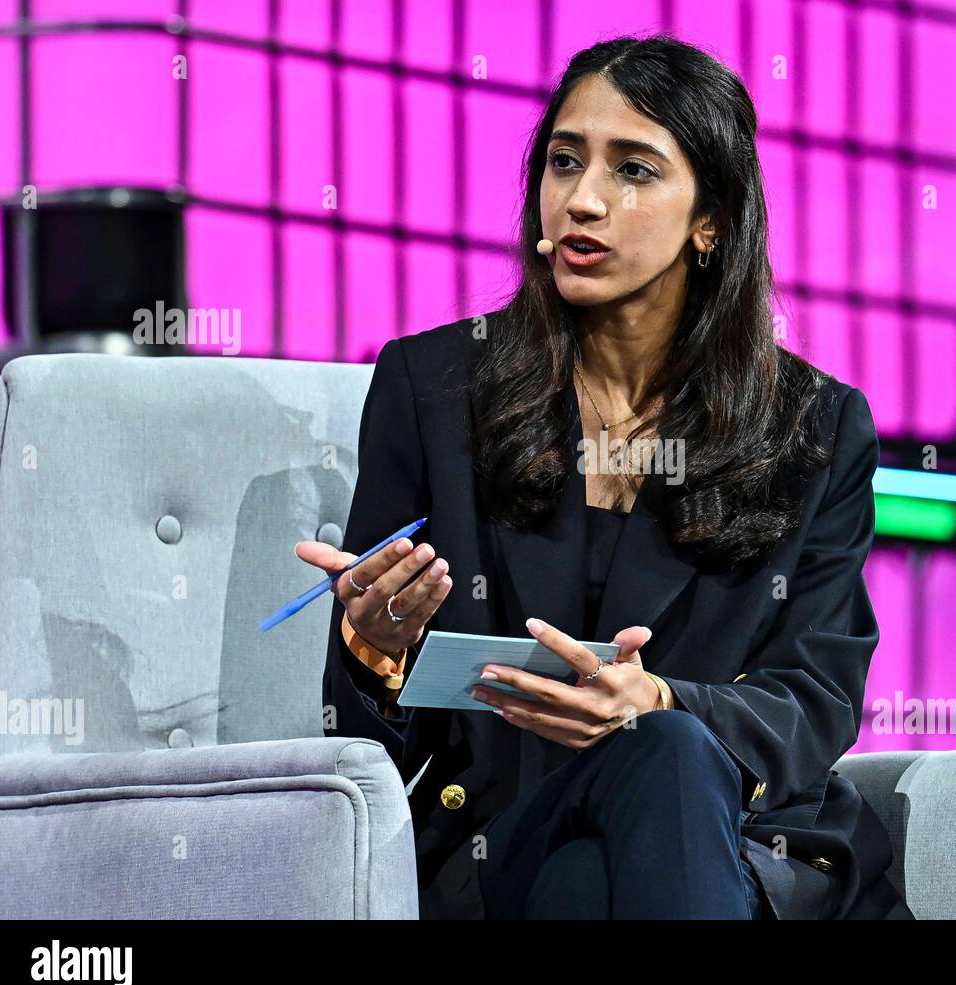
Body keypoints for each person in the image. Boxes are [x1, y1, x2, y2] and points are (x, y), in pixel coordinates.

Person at [299, 33, 914, 921]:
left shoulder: (813, 430)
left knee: (653, 773)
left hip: (738, 850)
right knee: (643, 783)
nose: (582, 201)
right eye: (563, 162)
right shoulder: (434, 390)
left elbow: (813, 704)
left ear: (712, 219)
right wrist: (372, 651)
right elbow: (360, 750)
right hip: (508, 834)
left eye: (633, 170)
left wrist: (657, 702)